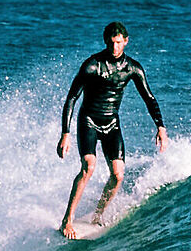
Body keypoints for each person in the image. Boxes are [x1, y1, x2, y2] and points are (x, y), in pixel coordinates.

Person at [57, 21, 167, 239]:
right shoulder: (91, 65)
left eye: (118, 43)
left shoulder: (132, 68)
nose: (114, 47)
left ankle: (97, 216)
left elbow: (149, 97)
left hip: (111, 123)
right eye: (110, 43)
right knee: (89, 167)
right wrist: (65, 134)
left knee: (118, 175)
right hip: (88, 120)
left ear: (125, 41)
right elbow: (72, 98)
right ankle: (67, 220)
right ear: (105, 42)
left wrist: (160, 126)